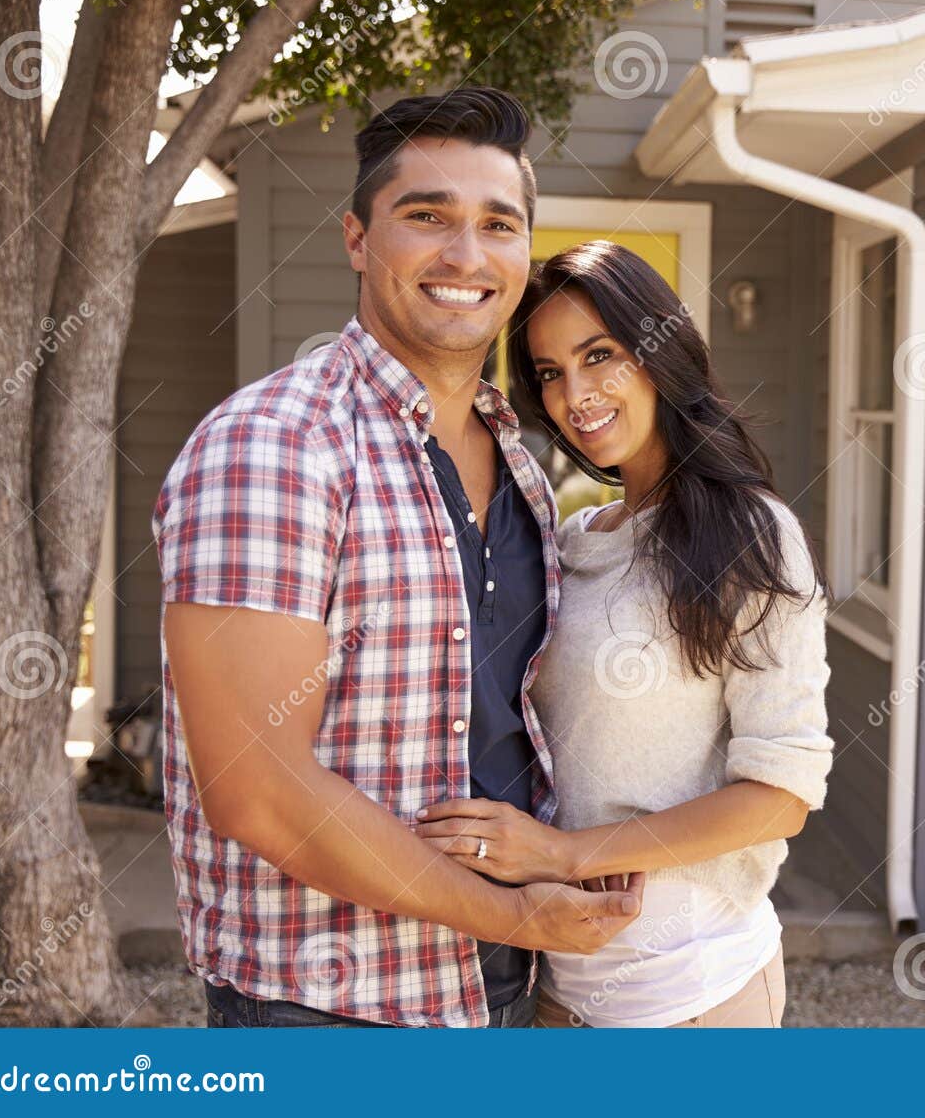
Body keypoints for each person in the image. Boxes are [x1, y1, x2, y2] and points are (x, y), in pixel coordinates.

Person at [153, 86, 640, 1029]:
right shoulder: (276, 445)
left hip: (503, 988)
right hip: (332, 1007)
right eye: (428, 217)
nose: (466, 255)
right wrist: (512, 912)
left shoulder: (523, 464)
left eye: (498, 225)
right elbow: (256, 790)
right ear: (356, 239)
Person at [411, 241, 834, 1027]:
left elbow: (782, 793)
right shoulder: (569, 539)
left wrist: (567, 852)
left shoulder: (752, 533)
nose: (575, 393)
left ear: (658, 350)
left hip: (696, 995)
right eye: (548, 371)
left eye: (599, 355)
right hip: (559, 989)